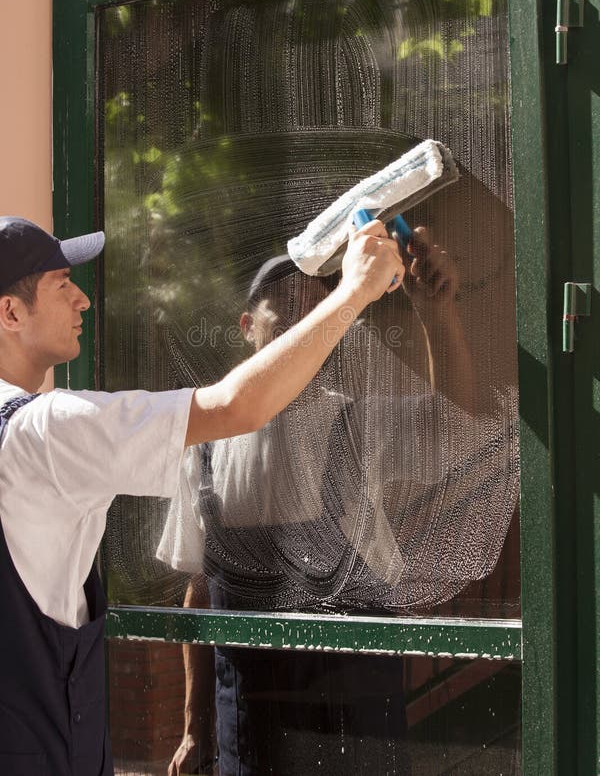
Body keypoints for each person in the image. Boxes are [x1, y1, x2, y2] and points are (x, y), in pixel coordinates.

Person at [0, 213, 403, 776]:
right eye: (62, 284)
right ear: (10, 312)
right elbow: (236, 408)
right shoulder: (48, 428)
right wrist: (354, 291)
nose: (83, 301)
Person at [162, 226, 476, 775]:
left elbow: (455, 423)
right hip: (249, 735)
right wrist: (194, 729)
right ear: (246, 327)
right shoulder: (205, 450)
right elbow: (198, 590)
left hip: (354, 728)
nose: (304, 319)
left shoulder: (358, 423)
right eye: (285, 305)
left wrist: (436, 313)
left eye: (318, 306)